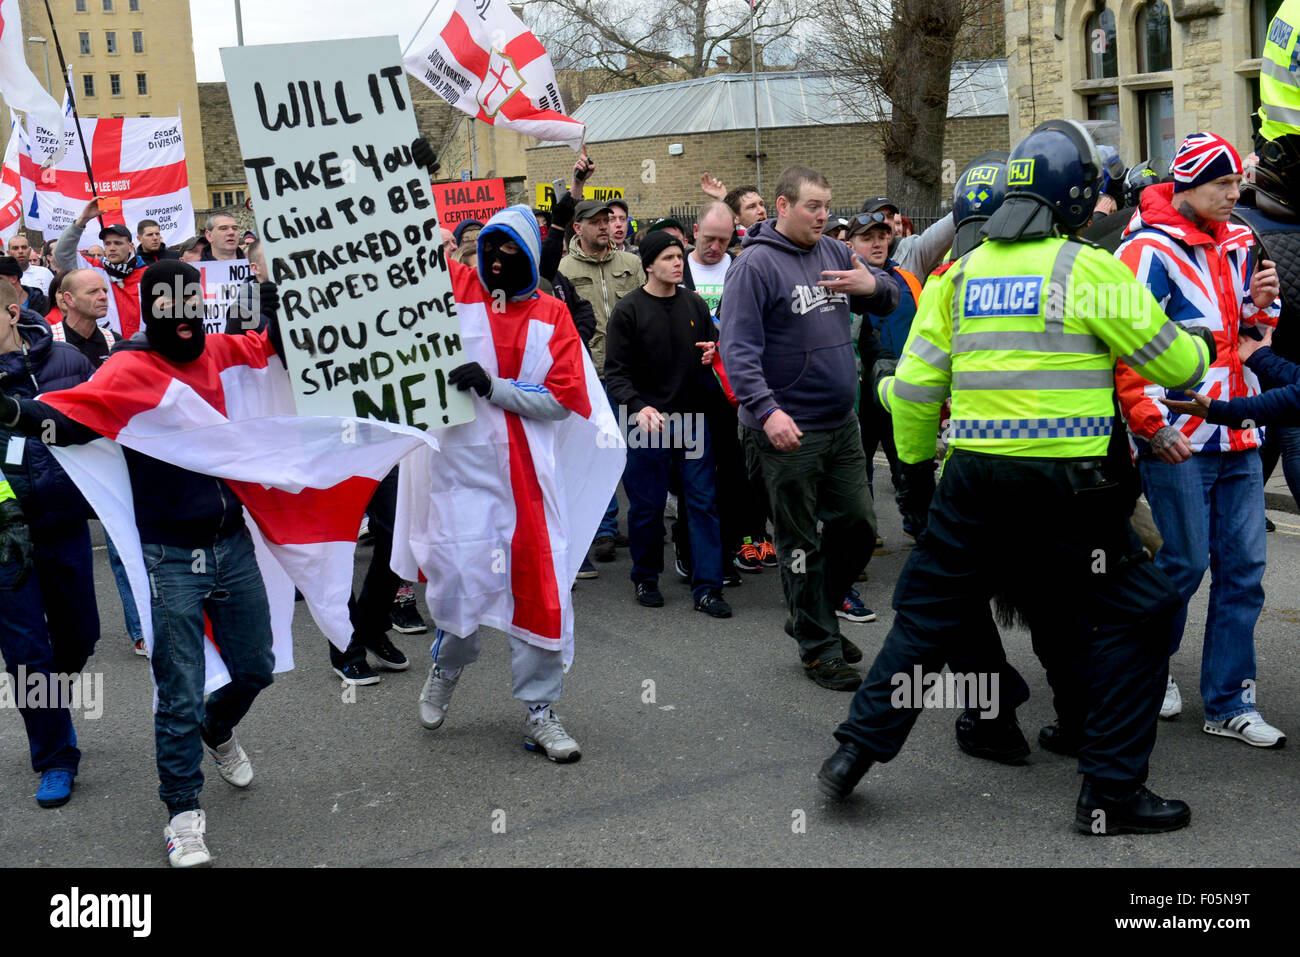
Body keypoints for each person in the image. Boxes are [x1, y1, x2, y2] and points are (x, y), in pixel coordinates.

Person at [817, 118, 1215, 835]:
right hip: (1070, 487)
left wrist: (916, 473)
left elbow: (911, 393)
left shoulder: (958, 275)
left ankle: (853, 750)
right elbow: (1176, 366)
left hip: (972, 480)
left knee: (927, 618)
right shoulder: (1087, 267)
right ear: (1074, 198)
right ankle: (1110, 792)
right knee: (1143, 610)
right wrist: (1204, 341)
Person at [403, 202, 618, 762]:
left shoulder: (552, 313)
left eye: (509, 251)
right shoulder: (459, 288)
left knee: (536, 590)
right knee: (456, 584)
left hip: (524, 482)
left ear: (530, 258)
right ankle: (446, 667)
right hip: (457, 474)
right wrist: (411, 179)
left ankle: (541, 711)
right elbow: (405, 244)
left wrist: (494, 387)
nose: (495, 260)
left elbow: (560, 403)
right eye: (488, 248)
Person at [1114, 131, 1285, 747]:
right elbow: (1126, 345)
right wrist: (1149, 426)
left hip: (1238, 431)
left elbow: (1251, 332)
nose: (1235, 193)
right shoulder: (1145, 249)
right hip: (1175, 438)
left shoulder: (1241, 236)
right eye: (1223, 184)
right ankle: (1145, 674)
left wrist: (1262, 307)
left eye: (1238, 182)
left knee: (1245, 570)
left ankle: (1230, 702)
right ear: (1188, 185)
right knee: (1182, 563)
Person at [719, 165, 899, 690]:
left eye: (826, 206)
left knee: (859, 528)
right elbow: (737, 350)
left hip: (841, 423)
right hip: (784, 430)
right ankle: (819, 648)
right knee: (800, 543)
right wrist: (767, 410)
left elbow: (888, 295)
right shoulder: (753, 267)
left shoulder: (835, 252)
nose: (823, 215)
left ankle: (808, 615)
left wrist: (874, 284)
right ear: (781, 206)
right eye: (812, 206)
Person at [0, 279, 97, 809]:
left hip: (63, 523)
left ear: (13, 312)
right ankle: (56, 755)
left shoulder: (65, 361)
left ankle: (50, 701)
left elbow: (99, 427)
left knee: (80, 636)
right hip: (3, 538)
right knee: (25, 655)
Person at [605, 230, 731, 617]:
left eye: (680, 256)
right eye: (669, 258)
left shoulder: (693, 305)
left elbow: (713, 349)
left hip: (691, 420)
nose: (678, 263)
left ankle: (707, 587)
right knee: (647, 506)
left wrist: (713, 352)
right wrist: (638, 406)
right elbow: (616, 374)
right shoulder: (628, 311)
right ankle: (645, 576)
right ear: (648, 265)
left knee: (702, 503)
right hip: (646, 422)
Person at [559, 194, 645, 564]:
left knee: (638, 450)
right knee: (600, 451)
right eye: (595, 221)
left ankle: (643, 523)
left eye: (607, 220)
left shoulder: (631, 263)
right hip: (591, 374)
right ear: (578, 227)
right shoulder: (562, 268)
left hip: (633, 374)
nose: (605, 225)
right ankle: (605, 528)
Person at [54, 198, 144, 336]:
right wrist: (82, 220)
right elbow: (62, 253)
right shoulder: (93, 268)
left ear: (131, 247)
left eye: (118, 243)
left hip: (141, 348)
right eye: (107, 244)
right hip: (106, 346)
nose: (112, 248)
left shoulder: (147, 273)